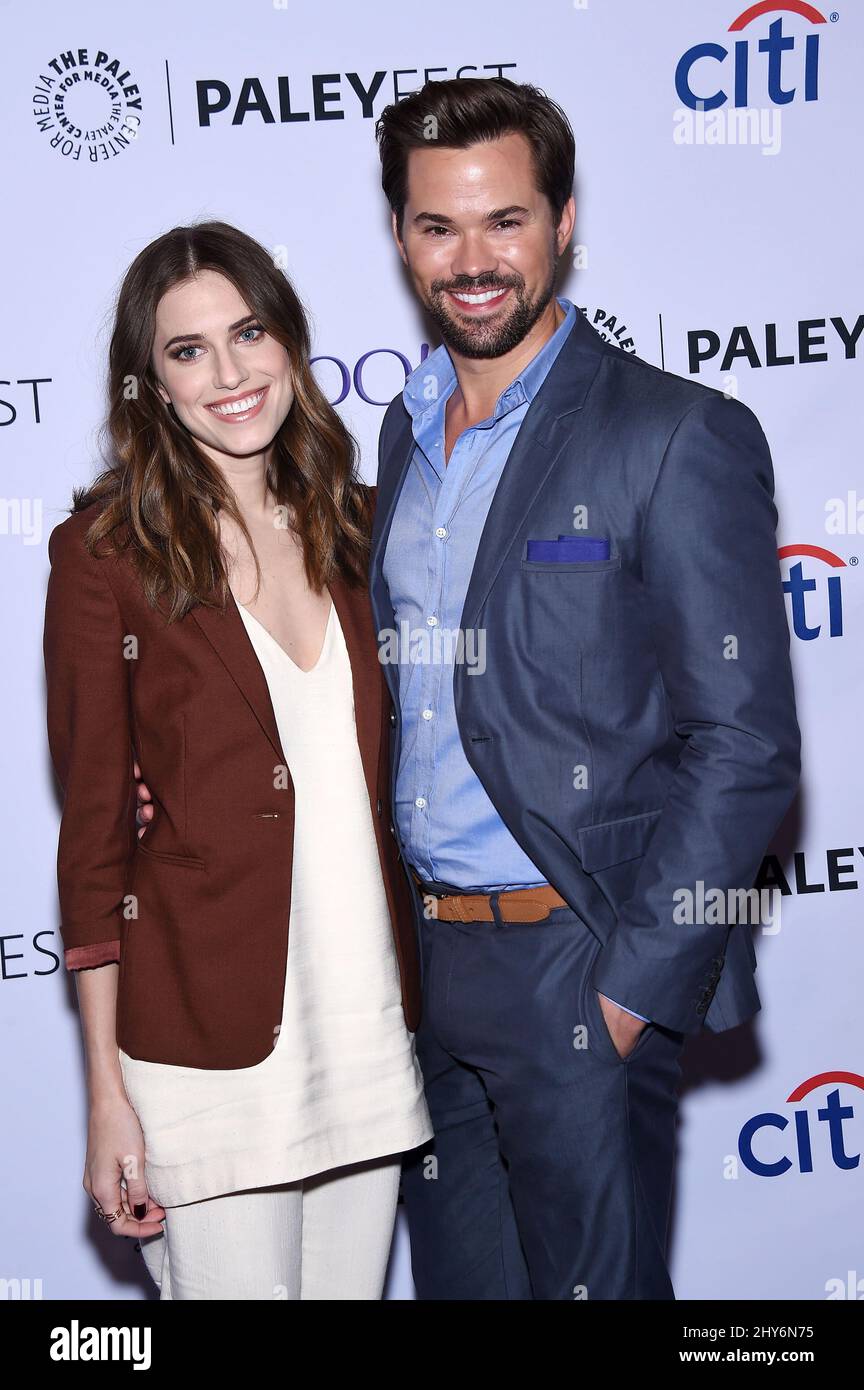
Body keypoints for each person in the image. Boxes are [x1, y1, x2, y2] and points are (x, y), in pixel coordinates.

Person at [365, 76, 801, 1299]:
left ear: (563, 222)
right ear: (402, 236)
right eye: (438, 226)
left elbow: (747, 740)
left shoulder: (674, 432)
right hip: (432, 968)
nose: (473, 260)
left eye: (505, 220)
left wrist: (629, 990)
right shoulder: (403, 440)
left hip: (578, 955)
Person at [43, 220, 431, 1301]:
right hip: (201, 1051)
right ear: (151, 384)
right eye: (187, 350)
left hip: (361, 1025)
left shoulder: (361, 527)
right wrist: (106, 1095)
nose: (228, 373)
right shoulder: (105, 556)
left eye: (248, 332)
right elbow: (92, 845)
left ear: (290, 343)